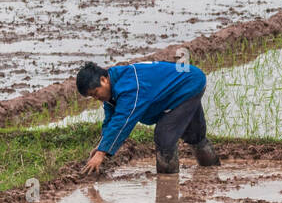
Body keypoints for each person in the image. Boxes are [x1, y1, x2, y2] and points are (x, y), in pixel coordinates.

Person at [76, 60, 220, 176]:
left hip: (188, 85)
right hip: (189, 81)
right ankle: (212, 173)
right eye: (92, 96)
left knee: (164, 136)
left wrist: (102, 153)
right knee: (195, 134)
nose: (96, 98)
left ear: (103, 80)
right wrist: (101, 145)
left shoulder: (129, 87)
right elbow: (111, 120)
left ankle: (167, 184)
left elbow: (122, 121)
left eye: (95, 93)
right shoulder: (114, 85)